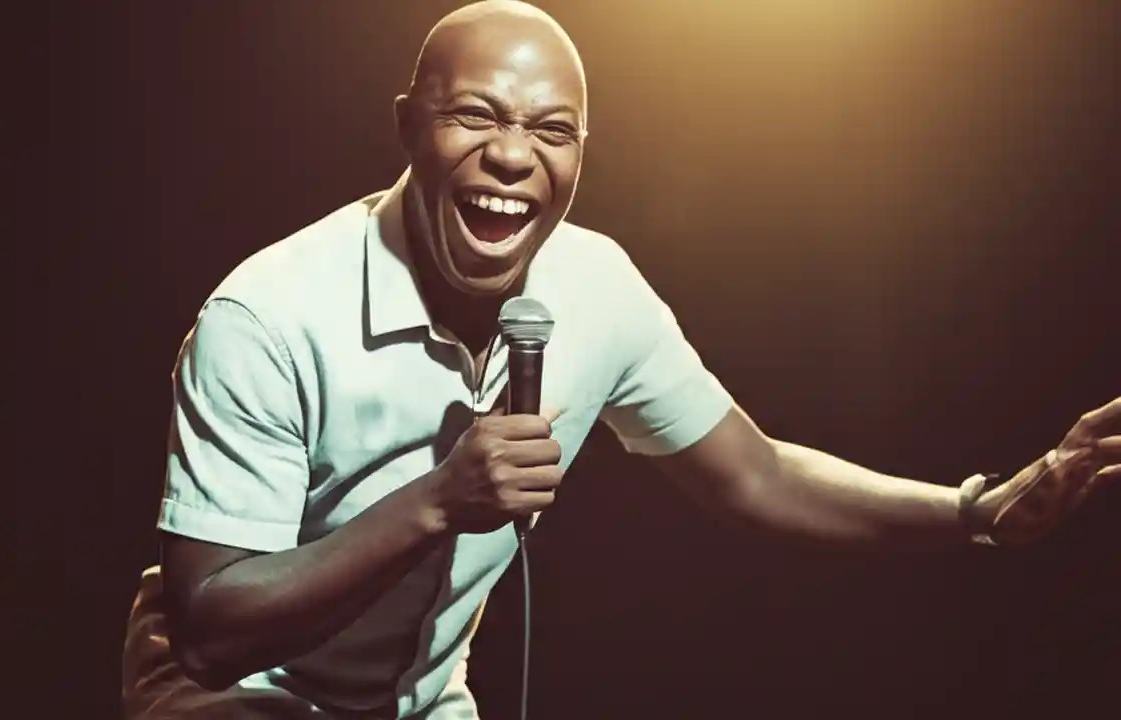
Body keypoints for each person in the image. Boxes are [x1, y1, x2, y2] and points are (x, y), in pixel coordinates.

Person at [120, 2, 1120, 718]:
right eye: (476, 114)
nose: (514, 157)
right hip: (231, 693)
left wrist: (971, 512)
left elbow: (756, 474)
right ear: (408, 126)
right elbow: (214, 626)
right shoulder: (269, 312)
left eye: (550, 131)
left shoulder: (594, 285)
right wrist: (437, 500)